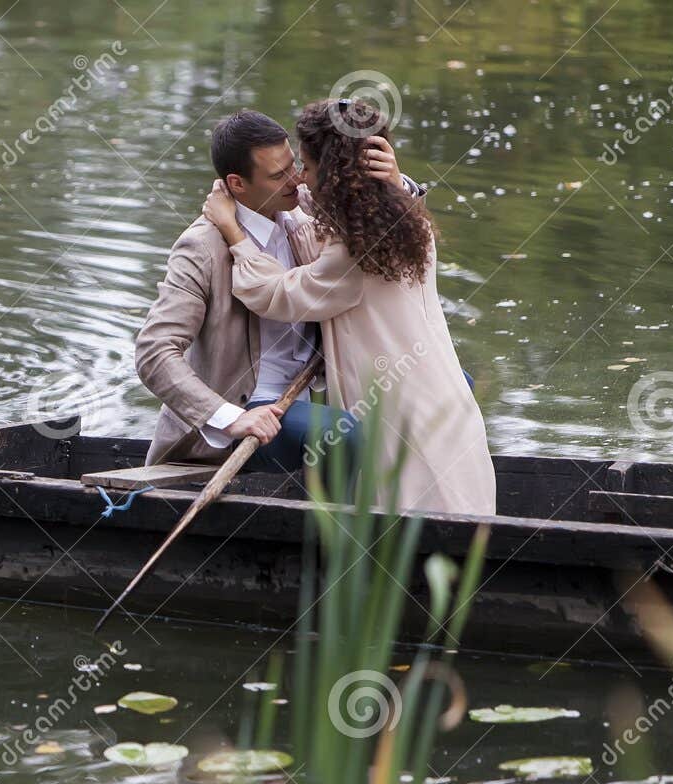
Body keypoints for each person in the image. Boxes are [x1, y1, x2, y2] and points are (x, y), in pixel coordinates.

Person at [201, 99, 497, 517]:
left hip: (399, 420)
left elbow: (274, 294)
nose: (300, 179)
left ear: (336, 177)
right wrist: (400, 182)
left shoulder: (353, 252)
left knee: (407, 528)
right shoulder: (407, 219)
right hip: (445, 404)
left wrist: (233, 231)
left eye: (305, 166)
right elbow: (318, 203)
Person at [135, 108, 415, 474]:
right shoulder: (201, 247)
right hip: (251, 411)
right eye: (278, 175)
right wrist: (232, 418)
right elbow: (154, 352)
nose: (296, 180)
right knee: (341, 436)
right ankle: (345, 532)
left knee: (442, 388)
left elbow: (372, 216)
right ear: (237, 184)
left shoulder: (301, 213)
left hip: (312, 395)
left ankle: (414, 511)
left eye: (294, 165)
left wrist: (397, 183)